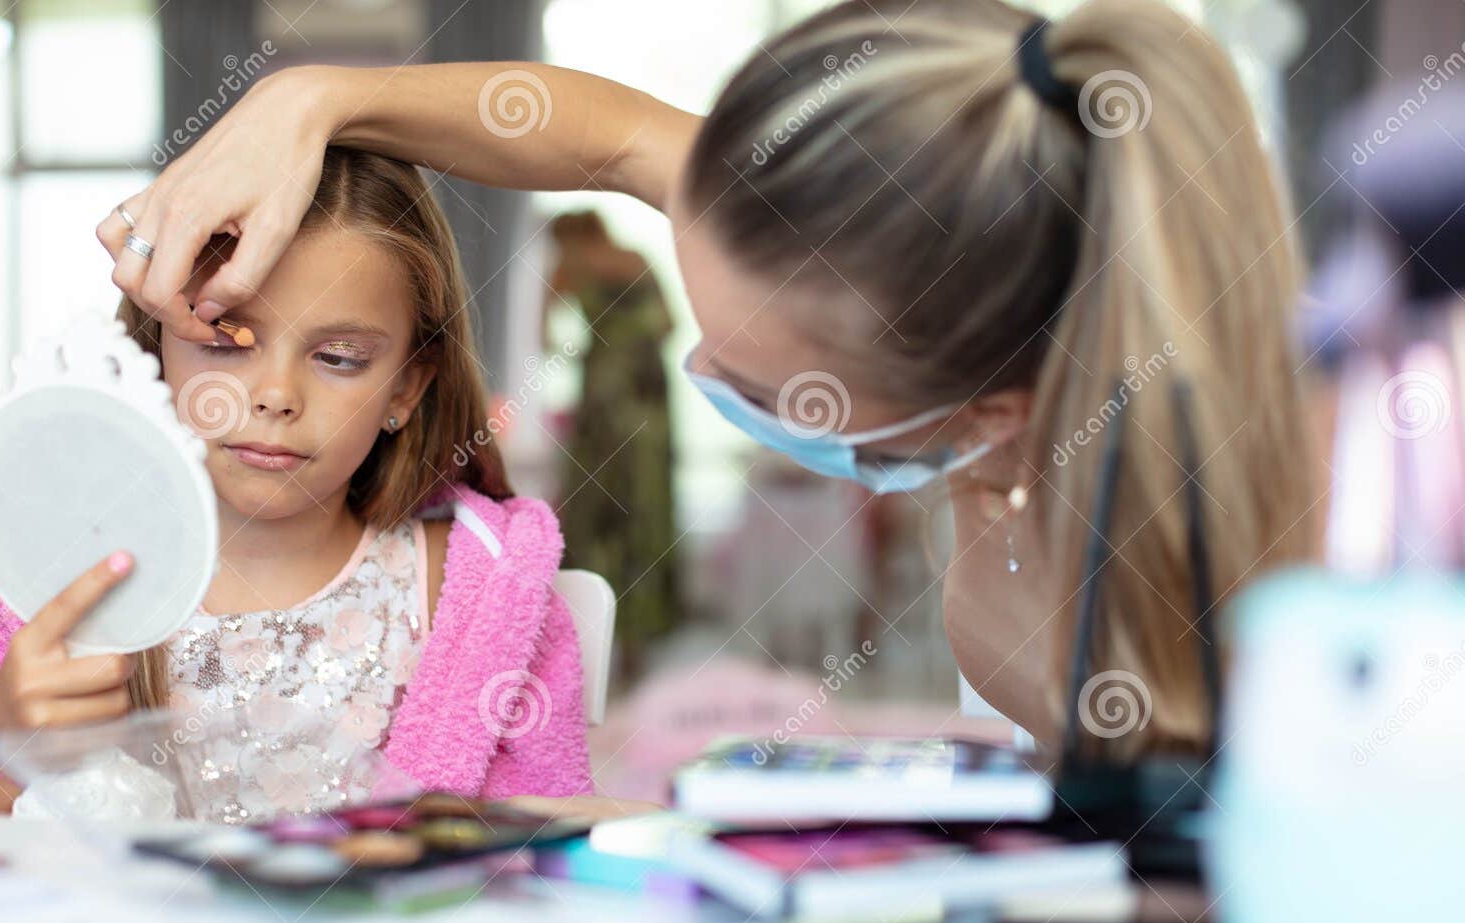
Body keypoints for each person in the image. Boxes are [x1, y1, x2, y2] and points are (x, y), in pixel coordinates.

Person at [98, 0, 1317, 761]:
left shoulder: (1235, 586)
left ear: (986, 420)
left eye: (766, 386)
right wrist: (308, 98)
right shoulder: (861, 238)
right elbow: (613, 138)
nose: (703, 375)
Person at [0, 148, 590, 812]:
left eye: (339, 356)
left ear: (406, 387)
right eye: (223, 341)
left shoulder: (483, 591)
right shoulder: (39, 584)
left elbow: (532, 874)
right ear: (155, 351)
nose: (275, 394)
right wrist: (0, 753)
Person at [546, 210, 681, 681]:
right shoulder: (637, 259)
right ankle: (636, 648)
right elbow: (670, 326)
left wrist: (595, 345)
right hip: (650, 403)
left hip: (604, 405)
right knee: (646, 511)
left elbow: (544, 338)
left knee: (595, 517)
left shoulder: (570, 264)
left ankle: (592, 644)